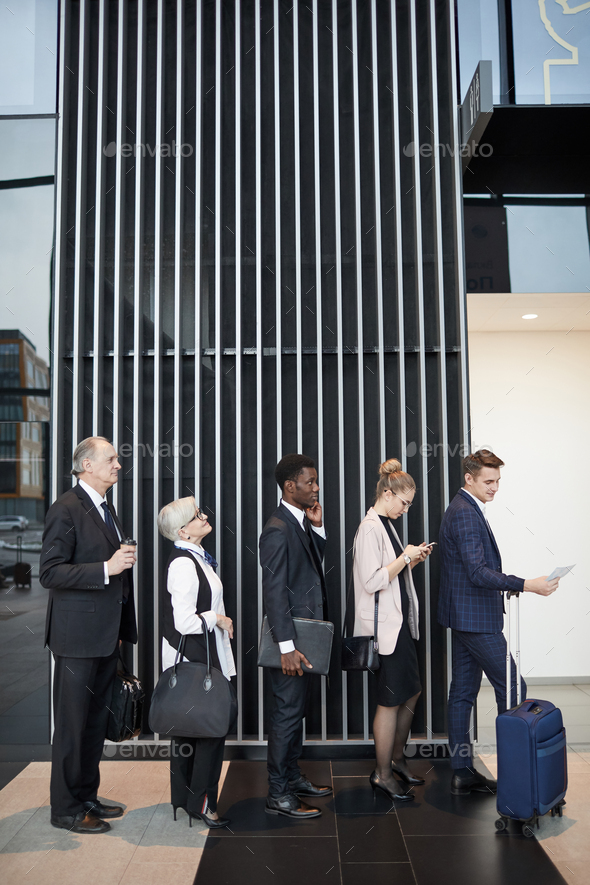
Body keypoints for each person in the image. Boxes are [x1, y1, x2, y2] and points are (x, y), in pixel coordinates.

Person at [438, 449, 559, 795]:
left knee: (462, 694)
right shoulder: (465, 512)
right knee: (514, 688)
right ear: (469, 478)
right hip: (475, 619)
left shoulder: (466, 507)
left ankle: (462, 773)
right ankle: (515, 775)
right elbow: (477, 572)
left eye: (498, 481)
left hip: (466, 616)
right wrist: (526, 584)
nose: (494, 487)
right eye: (488, 481)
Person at [40, 437, 137, 834]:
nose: (118, 465)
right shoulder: (65, 508)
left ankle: (86, 797)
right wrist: (106, 568)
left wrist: (119, 629)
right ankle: (65, 810)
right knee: (72, 726)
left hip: (104, 636)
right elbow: (50, 572)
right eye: (110, 459)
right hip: (76, 639)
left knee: (94, 724)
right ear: (86, 465)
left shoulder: (104, 507)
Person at [353, 459, 432, 801]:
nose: (406, 509)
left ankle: (397, 760)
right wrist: (405, 558)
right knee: (389, 701)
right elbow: (372, 581)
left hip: (398, 625)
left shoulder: (386, 525)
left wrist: (411, 560)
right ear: (387, 493)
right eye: (404, 502)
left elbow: (390, 574)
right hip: (385, 629)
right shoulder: (370, 528)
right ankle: (382, 773)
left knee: (410, 692)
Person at [259, 453, 332, 819]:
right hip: (291, 643)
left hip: (304, 639)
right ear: (290, 486)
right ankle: (278, 794)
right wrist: (286, 648)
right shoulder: (277, 528)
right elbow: (274, 593)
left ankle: (291, 777)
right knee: (286, 716)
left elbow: (309, 570)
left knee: (296, 712)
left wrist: (316, 529)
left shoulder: (297, 521)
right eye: (310, 482)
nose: (316, 488)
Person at [157, 496, 236, 828]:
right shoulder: (183, 564)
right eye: (196, 515)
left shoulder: (195, 557)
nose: (204, 517)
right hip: (195, 657)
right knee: (208, 733)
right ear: (182, 531)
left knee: (193, 734)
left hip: (202, 655)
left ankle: (189, 801)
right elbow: (184, 622)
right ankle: (203, 804)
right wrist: (219, 619)